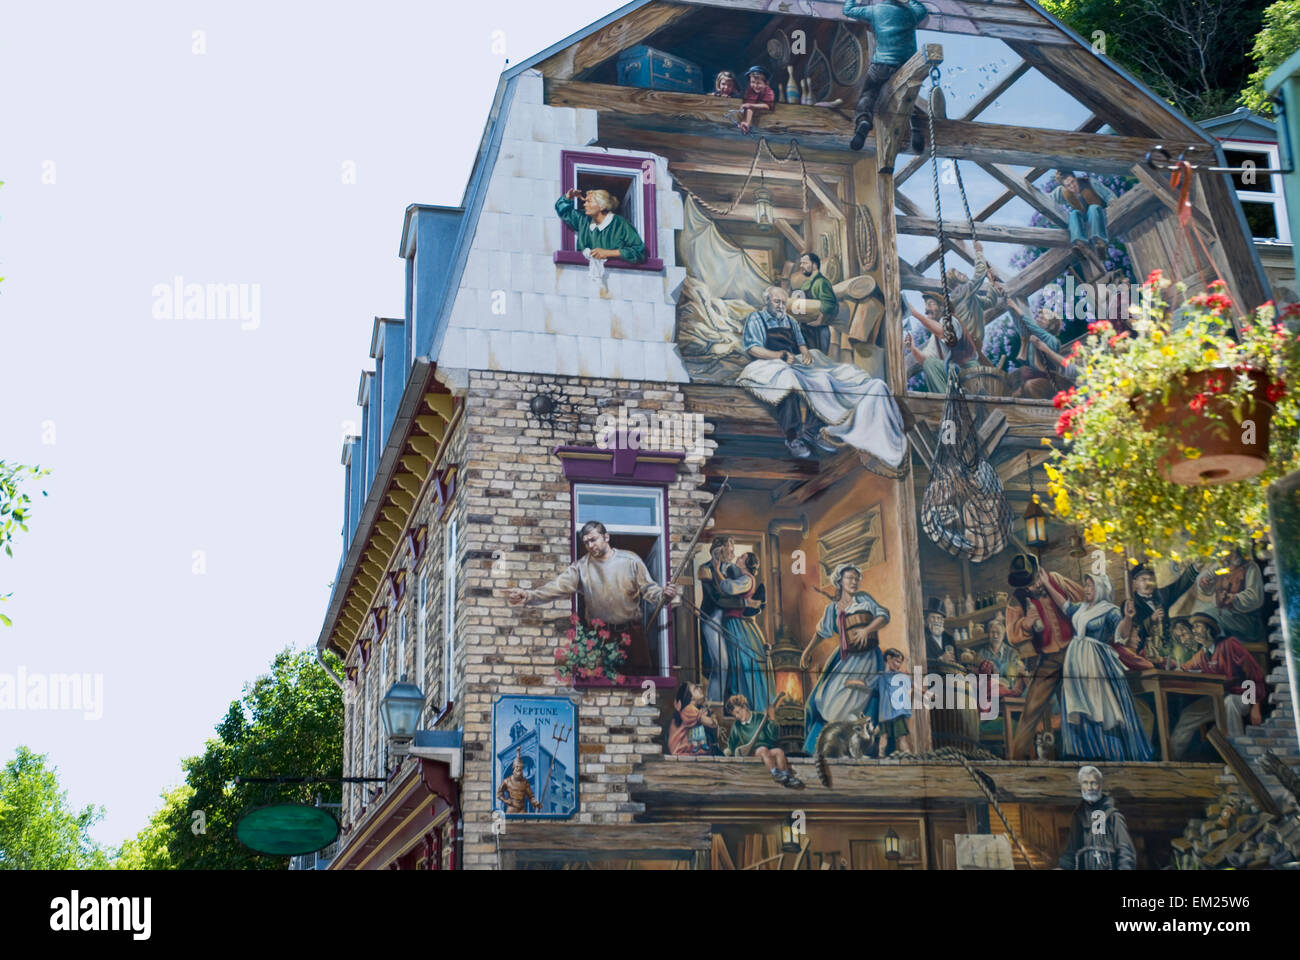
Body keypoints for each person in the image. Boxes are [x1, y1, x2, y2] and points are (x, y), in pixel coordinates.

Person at [738, 286, 908, 468]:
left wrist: (804, 353)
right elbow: (752, 348)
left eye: (783, 302)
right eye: (776, 302)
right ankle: (792, 437)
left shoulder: (789, 320)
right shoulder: (757, 318)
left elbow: (800, 342)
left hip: (790, 359)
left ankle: (813, 432)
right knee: (788, 381)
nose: (780, 306)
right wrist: (778, 355)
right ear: (767, 302)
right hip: (767, 361)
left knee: (822, 378)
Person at [508, 520, 679, 671]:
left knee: (641, 677)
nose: (590, 545)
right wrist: (529, 595)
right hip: (599, 636)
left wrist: (664, 594)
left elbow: (649, 589)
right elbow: (557, 587)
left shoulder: (630, 561)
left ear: (606, 537)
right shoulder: (581, 567)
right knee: (600, 681)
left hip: (632, 633)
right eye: (586, 542)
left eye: (593, 539)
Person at [1040, 572, 1155, 761]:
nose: (1087, 589)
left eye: (1091, 586)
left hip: (1096, 662)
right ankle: (1085, 752)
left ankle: (1108, 752)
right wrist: (1047, 583)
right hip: (1076, 662)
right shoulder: (1081, 608)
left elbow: (1121, 634)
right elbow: (1064, 604)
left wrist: (1127, 617)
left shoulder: (1109, 610)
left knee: (1100, 707)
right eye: (1086, 585)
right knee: (1079, 705)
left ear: (1101, 588)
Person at [801, 564, 890, 754]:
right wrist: (807, 652)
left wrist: (867, 629)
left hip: (868, 659)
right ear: (840, 581)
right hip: (846, 658)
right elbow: (821, 632)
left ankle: (858, 748)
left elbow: (884, 616)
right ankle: (821, 747)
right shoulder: (832, 609)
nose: (854, 582)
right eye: (850, 578)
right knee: (824, 700)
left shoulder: (864, 600)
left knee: (859, 700)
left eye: (856, 578)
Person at [1005, 554, 1084, 760]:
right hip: (1047, 660)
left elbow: (1083, 601)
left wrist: (1050, 587)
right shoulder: (1017, 599)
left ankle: (1079, 758)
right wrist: (1026, 624)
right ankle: (1016, 762)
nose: (1031, 588)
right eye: (1027, 586)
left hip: (1073, 655)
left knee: (1078, 709)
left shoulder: (1056, 580)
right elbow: (1012, 635)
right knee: (1031, 711)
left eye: (1033, 582)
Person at [1169, 614, 1266, 759]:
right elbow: (1184, 667)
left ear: (1209, 629)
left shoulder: (1230, 644)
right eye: (1193, 627)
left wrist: (1256, 706)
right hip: (1218, 697)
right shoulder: (1202, 654)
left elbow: (1254, 675)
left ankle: (1238, 756)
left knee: (1230, 703)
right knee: (1188, 715)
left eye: (1197, 626)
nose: (1194, 631)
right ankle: (1172, 760)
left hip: (1244, 694)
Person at [843, 0, 929, 154]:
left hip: (881, 65)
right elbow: (922, 10)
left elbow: (848, 10)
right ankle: (915, 125)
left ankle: (863, 121)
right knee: (909, 95)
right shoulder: (910, 13)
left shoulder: (875, 10)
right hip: (906, 65)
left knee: (869, 93)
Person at [715, 553, 775, 712]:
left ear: (746, 564)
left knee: (741, 661)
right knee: (737, 663)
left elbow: (728, 587)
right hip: (734, 623)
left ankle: (751, 704)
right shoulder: (742, 577)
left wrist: (717, 572)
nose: (738, 558)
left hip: (739, 625)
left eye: (741, 557)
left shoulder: (746, 579)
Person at [1058, 766, 1136, 870]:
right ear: (1081, 786)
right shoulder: (1079, 816)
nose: (1090, 787)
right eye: (1085, 783)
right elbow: (1072, 850)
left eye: (1093, 783)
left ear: (1100, 785)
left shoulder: (1113, 816)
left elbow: (1125, 850)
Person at [724, 693, 804, 787]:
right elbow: (732, 744)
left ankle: (787, 777)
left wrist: (772, 719)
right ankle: (775, 774)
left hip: (766, 751)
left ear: (744, 707)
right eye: (735, 714)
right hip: (751, 752)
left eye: (738, 712)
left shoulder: (760, 718)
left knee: (779, 751)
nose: (737, 716)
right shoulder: (737, 726)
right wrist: (730, 752)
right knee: (762, 749)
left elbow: (773, 736)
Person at [696, 536, 739, 702]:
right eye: (729, 549)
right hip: (712, 618)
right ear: (718, 551)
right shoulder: (705, 569)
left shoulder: (733, 570)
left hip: (729, 621)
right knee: (720, 664)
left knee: (732, 665)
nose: (732, 553)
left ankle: (726, 702)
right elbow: (715, 597)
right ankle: (714, 704)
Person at [554, 187, 646, 264]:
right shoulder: (583, 220)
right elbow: (564, 211)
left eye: (589, 201)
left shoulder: (619, 224)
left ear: (602, 206)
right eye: (585, 201)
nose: (585, 204)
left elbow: (639, 252)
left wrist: (609, 253)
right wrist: (568, 197)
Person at [1047, 170, 1116, 261]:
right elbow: (1047, 199)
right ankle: (1079, 244)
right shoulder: (1062, 191)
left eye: (1073, 181)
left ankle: (1100, 243)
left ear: (1075, 178)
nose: (1072, 186)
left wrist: (1112, 201)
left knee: (1093, 208)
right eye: (1068, 185)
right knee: (1074, 213)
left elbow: (1108, 194)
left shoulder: (1089, 182)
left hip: (1098, 212)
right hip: (1083, 218)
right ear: (1064, 186)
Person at [791, 252, 839, 354]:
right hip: (805, 330)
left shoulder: (821, 282)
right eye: (801, 263)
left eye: (804, 263)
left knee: (818, 360)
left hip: (818, 331)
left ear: (814, 265)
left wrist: (819, 320)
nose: (801, 266)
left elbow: (830, 304)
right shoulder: (806, 284)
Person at [974, 614, 1025, 696]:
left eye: (998, 632)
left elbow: (1018, 673)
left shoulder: (1012, 652)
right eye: (992, 632)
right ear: (988, 634)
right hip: (988, 690)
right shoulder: (981, 653)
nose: (995, 635)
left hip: (1008, 690)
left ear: (1003, 635)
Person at [876, 648, 913, 756]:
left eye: (900, 663)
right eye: (897, 661)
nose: (898, 665)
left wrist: (927, 693)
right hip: (885, 713)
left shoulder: (900, 676)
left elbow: (912, 685)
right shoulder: (880, 676)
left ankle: (908, 756)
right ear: (888, 658)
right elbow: (870, 687)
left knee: (901, 737)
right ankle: (881, 756)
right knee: (884, 736)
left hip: (897, 712)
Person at [668, 682, 719, 755]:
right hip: (681, 754)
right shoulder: (689, 709)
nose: (699, 688)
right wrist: (713, 719)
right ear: (690, 696)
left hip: (686, 753)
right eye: (695, 689)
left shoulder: (691, 709)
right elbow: (712, 723)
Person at [922, 597, 957, 671]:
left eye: (938, 618)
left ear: (942, 621)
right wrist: (940, 659)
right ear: (927, 620)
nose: (936, 621)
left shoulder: (949, 638)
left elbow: (956, 660)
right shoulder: (923, 636)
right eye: (933, 617)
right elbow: (920, 660)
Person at [739, 65, 775, 134]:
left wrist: (750, 105)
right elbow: (749, 107)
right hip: (752, 115)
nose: (755, 86)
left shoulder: (768, 91)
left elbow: (767, 106)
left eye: (758, 83)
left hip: (766, 118)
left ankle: (746, 125)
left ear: (766, 83)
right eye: (752, 82)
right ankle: (746, 125)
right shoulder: (750, 90)